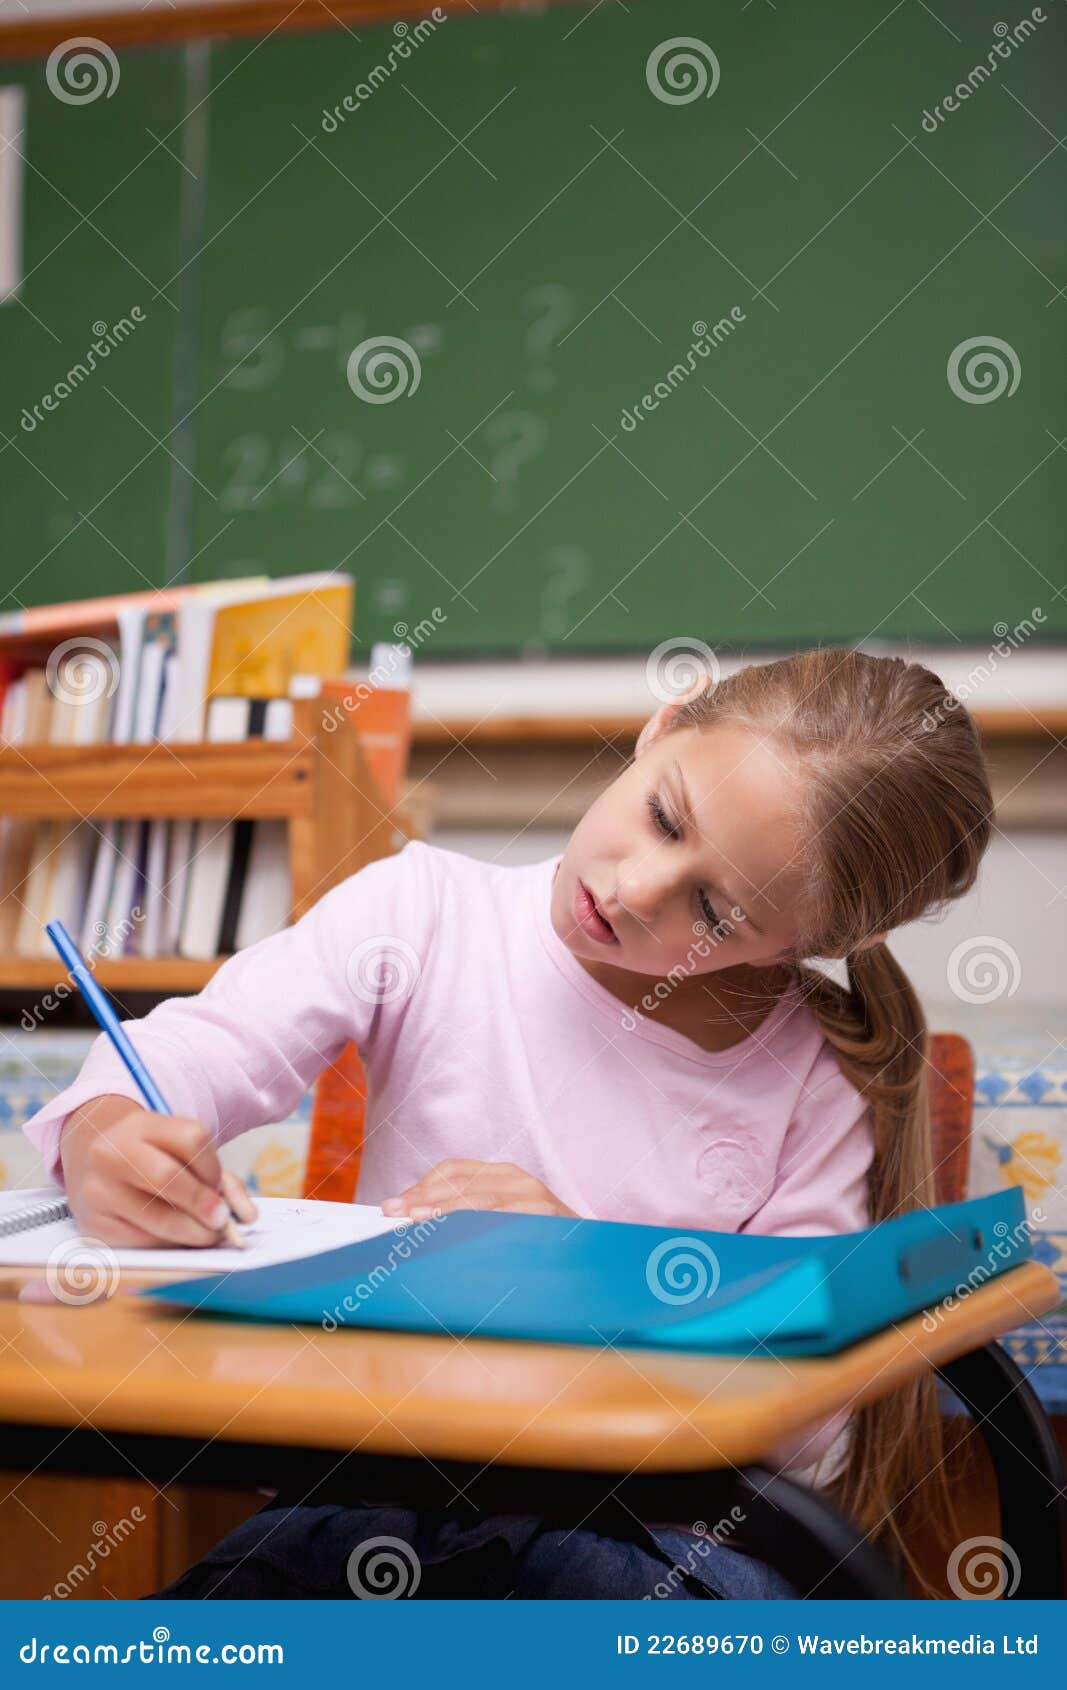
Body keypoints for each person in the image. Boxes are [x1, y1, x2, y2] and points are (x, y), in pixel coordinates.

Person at [22, 647, 993, 1598]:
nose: (633, 889)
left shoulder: (815, 1078)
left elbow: (796, 1410)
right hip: (386, 1494)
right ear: (664, 722)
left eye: (715, 909)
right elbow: (212, 1043)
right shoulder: (423, 911)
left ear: (819, 941)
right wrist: (104, 1125)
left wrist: (583, 1279)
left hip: (657, 1537)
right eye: (661, 816)